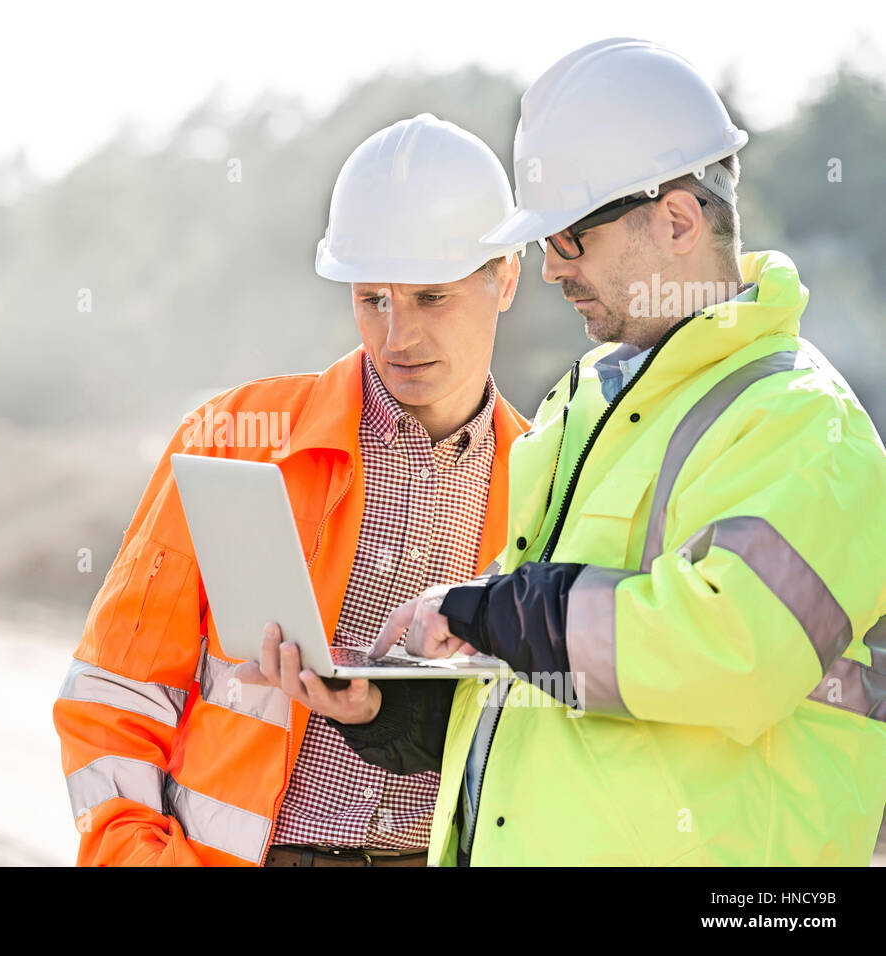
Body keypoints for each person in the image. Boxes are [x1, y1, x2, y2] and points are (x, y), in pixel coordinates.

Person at [265, 37, 886, 865]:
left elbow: (737, 650)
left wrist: (513, 608)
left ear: (676, 219)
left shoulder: (803, 423)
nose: (550, 270)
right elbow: (554, 685)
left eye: (568, 240)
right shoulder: (584, 405)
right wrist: (399, 716)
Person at [52, 113, 530, 865]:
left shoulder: (547, 482)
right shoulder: (234, 439)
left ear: (506, 276)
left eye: (430, 298)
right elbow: (115, 693)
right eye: (373, 298)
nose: (397, 334)